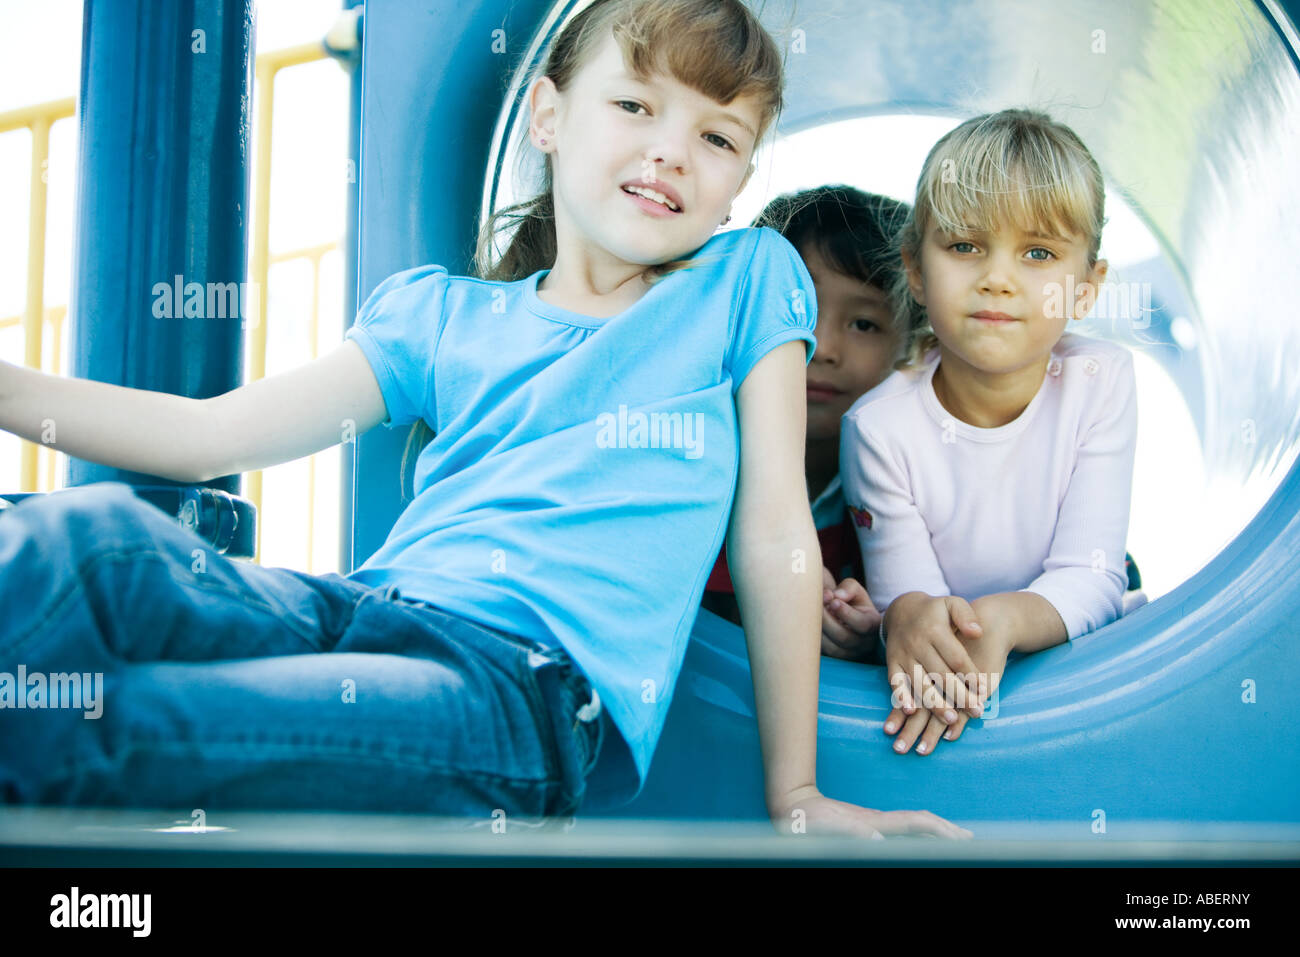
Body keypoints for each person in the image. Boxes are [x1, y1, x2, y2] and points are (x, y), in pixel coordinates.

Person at [0, 0, 967, 839]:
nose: (672, 149)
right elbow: (209, 436)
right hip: (361, 614)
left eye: (717, 138)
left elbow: (774, 530)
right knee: (88, 544)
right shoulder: (440, 316)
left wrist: (795, 792)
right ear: (548, 115)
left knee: (118, 724)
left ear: (737, 184)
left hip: (516, 692)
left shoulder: (745, 283)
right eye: (635, 105)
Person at [840, 109, 1138, 758]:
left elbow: (1092, 577)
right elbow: (911, 603)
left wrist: (1003, 619)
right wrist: (906, 618)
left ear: (1086, 289)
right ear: (915, 269)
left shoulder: (1100, 381)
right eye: (965, 246)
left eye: (1039, 253)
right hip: (970, 643)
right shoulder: (878, 427)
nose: (997, 278)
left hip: (1053, 635)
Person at [700, 186, 909, 664]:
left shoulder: (903, 483)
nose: (823, 346)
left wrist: (869, 634)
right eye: (799, 308)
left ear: (911, 346)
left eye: (864, 324)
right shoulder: (699, 455)